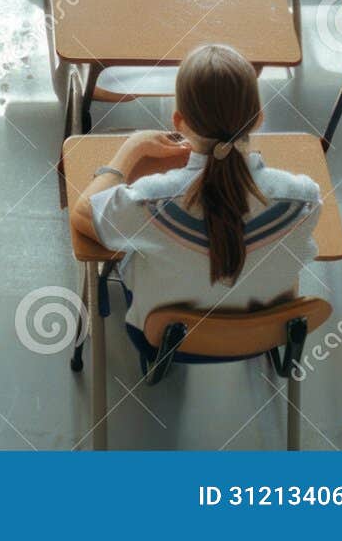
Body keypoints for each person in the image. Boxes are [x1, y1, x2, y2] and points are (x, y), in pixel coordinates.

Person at [70, 44, 322, 368]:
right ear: (258, 119)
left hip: (164, 340)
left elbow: (82, 215)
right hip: (261, 336)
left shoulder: (153, 202)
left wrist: (128, 151)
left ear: (179, 122)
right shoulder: (304, 200)